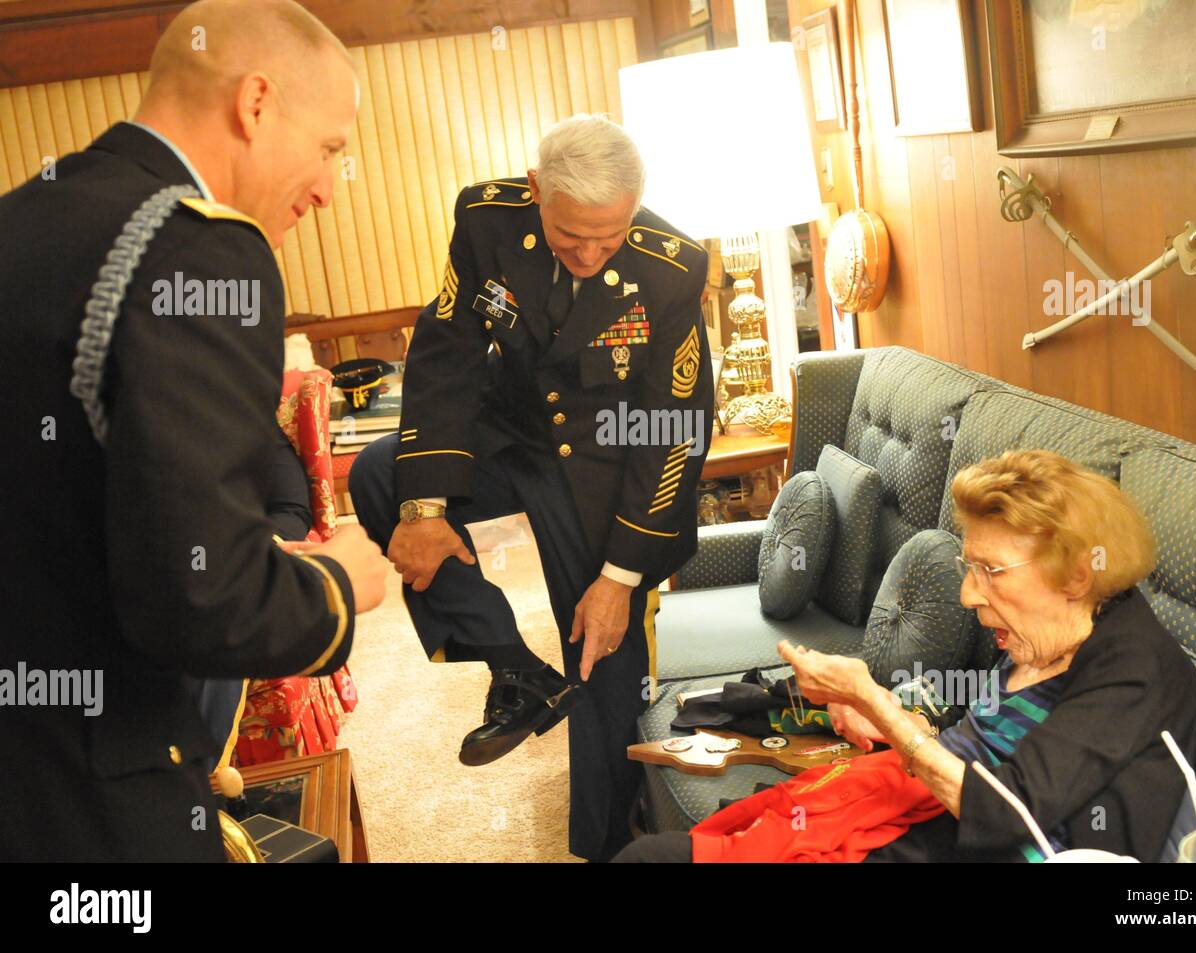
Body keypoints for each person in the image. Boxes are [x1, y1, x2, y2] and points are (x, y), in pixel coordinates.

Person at [0, 0, 389, 861]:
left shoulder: (22, 220)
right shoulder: (198, 252)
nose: (329, 188)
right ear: (256, 103)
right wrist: (334, 584)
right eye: (329, 147)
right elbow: (199, 602)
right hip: (101, 790)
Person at [349, 114, 714, 860]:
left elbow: (672, 430)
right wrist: (424, 508)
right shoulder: (487, 219)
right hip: (508, 432)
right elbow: (448, 346)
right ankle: (512, 662)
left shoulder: (671, 269)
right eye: (570, 234)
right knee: (379, 474)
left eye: (607, 238)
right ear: (536, 190)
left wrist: (618, 576)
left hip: (608, 466)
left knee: (603, 662)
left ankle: (607, 844)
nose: (587, 254)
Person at [614, 449, 1196, 862]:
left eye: (992, 572)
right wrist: (891, 717)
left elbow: (1006, 811)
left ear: (1077, 574)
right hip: (920, 826)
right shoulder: (1045, 630)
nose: (970, 594)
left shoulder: (1135, 670)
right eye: (969, 568)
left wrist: (877, 701)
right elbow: (978, 726)